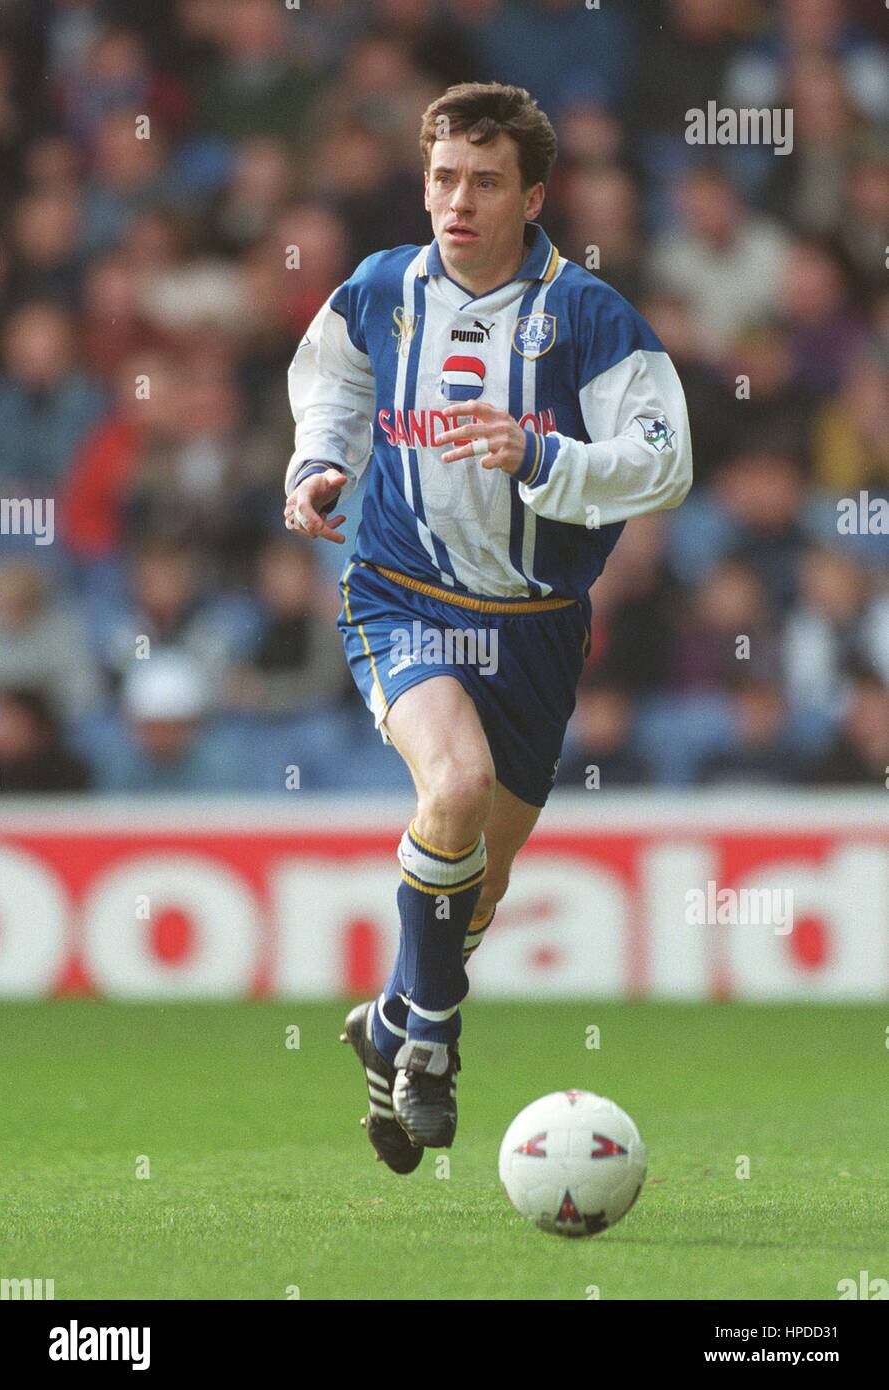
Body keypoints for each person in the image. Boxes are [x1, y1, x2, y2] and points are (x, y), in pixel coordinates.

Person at [283, 82, 692, 1170]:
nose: (458, 201)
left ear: (533, 195)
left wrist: (544, 455)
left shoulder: (590, 316)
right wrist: (318, 465)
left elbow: (665, 461)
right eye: (443, 178)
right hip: (399, 593)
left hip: (536, 628)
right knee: (450, 787)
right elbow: (328, 383)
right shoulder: (380, 288)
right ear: (424, 184)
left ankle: (388, 1013)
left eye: (485, 181)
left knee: (482, 885)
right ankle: (429, 1040)